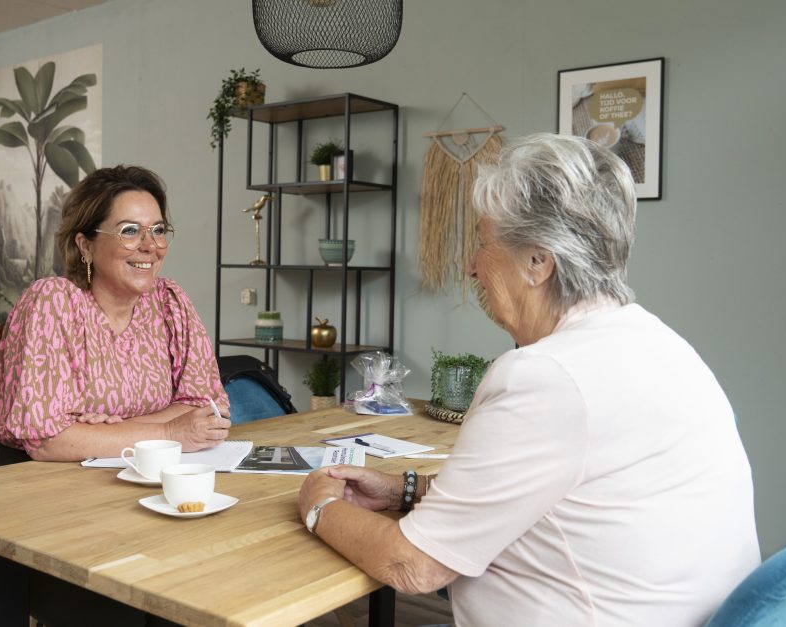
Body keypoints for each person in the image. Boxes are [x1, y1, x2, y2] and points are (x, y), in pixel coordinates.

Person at [298, 134, 760, 626]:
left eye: (482, 243)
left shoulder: (547, 378)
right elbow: (553, 489)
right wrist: (403, 491)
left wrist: (318, 505)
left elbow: (412, 566)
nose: (472, 267)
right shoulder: (657, 342)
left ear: (538, 262)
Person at [0, 165, 230, 622]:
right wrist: (171, 429)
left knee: (201, 581)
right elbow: (49, 441)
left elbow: (206, 407)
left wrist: (93, 430)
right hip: (2, 490)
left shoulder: (171, 302)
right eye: (130, 230)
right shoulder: (52, 301)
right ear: (85, 243)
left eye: (158, 230)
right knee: (131, 606)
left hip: (108, 486)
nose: (150, 246)